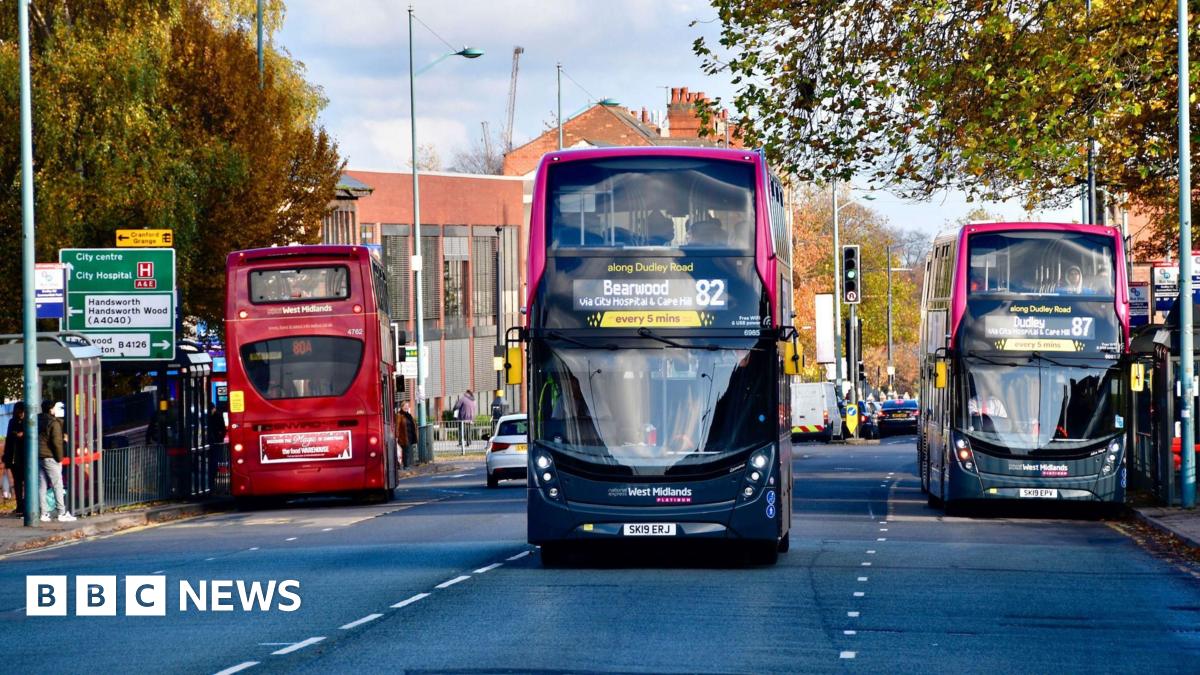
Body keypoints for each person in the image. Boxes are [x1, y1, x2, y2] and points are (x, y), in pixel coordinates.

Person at [38, 400, 74, 522]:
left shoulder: (37, 420)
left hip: (39, 456)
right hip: (50, 457)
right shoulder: (54, 423)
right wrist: (59, 458)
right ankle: (61, 513)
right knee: (57, 485)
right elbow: (56, 443)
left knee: (42, 485)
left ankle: (43, 513)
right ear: (51, 409)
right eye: (54, 408)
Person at [3, 402, 26, 515]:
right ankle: (20, 506)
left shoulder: (26, 422)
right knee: (18, 483)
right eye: (19, 411)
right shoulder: (12, 422)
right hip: (16, 457)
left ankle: (24, 505)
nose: (21, 414)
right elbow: (9, 440)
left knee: (23, 482)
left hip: (23, 457)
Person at [397, 400, 418, 467]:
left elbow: (413, 424)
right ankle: (406, 466)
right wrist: (397, 436)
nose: (406, 407)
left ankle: (407, 465)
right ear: (402, 407)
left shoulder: (409, 415)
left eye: (408, 406)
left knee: (408, 451)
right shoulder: (399, 415)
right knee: (406, 451)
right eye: (405, 406)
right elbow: (397, 426)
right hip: (403, 436)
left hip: (410, 436)